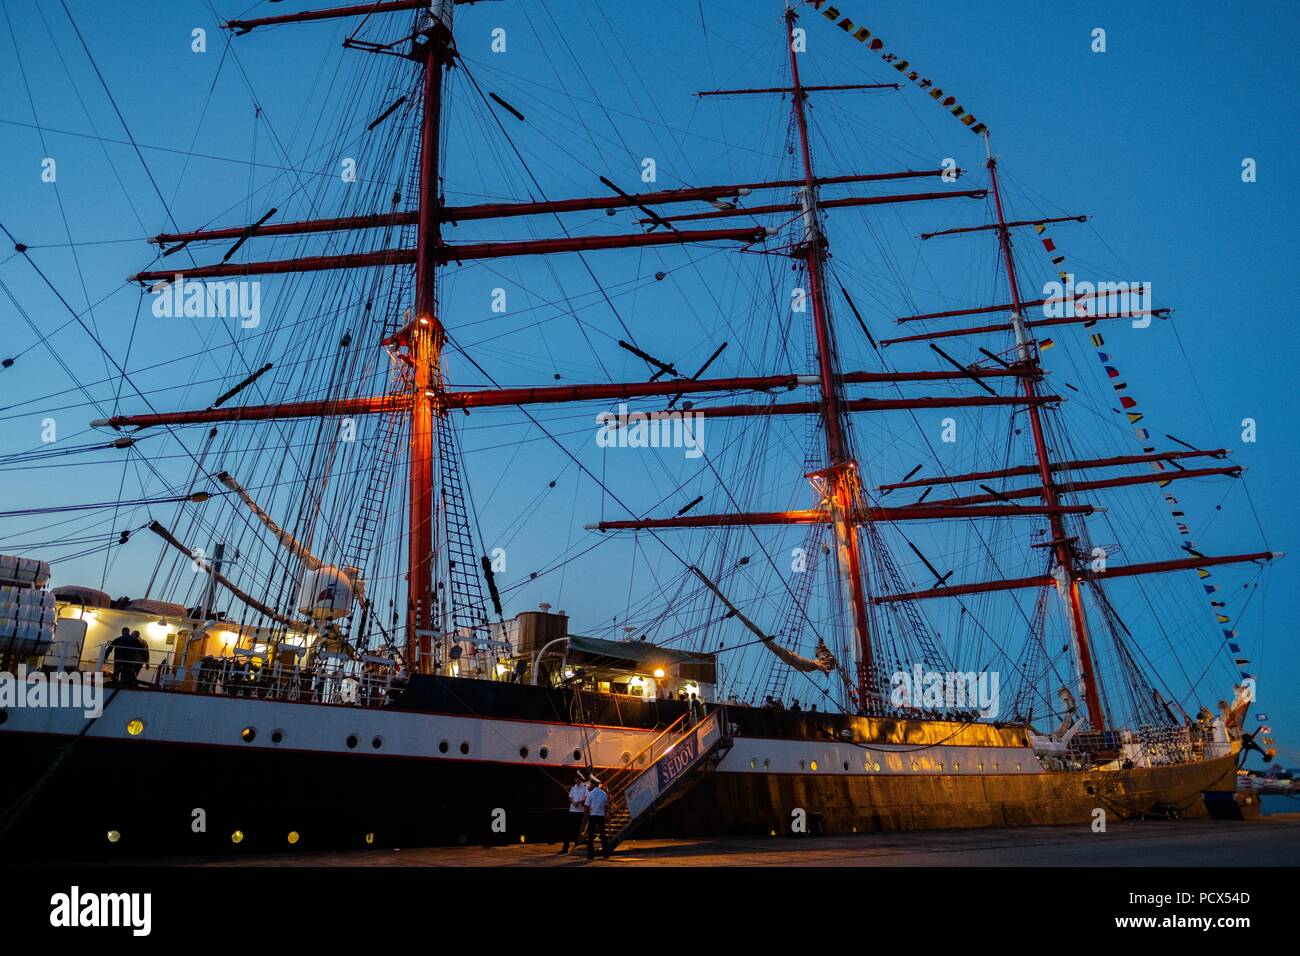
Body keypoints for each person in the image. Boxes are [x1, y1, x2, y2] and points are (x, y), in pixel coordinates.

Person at [559, 772, 588, 854]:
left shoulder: (584, 787)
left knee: (577, 831)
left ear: (580, 779)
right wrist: (573, 802)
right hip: (572, 811)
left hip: (579, 812)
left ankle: (576, 848)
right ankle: (565, 849)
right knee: (567, 830)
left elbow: (586, 797)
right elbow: (570, 798)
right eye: (575, 779)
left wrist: (578, 802)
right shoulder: (573, 787)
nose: (576, 780)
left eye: (578, 778)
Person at [585, 776, 610, 859]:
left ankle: (590, 854)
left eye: (591, 784)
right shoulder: (604, 793)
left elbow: (587, 806)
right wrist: (606, 814)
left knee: (591, 835)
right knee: (603, 835)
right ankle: (606, 853)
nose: (590, 785)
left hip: (593, 815)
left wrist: (587, 816)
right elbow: (606, 805)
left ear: (593, 784)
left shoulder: (590, 793)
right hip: (601, 815)